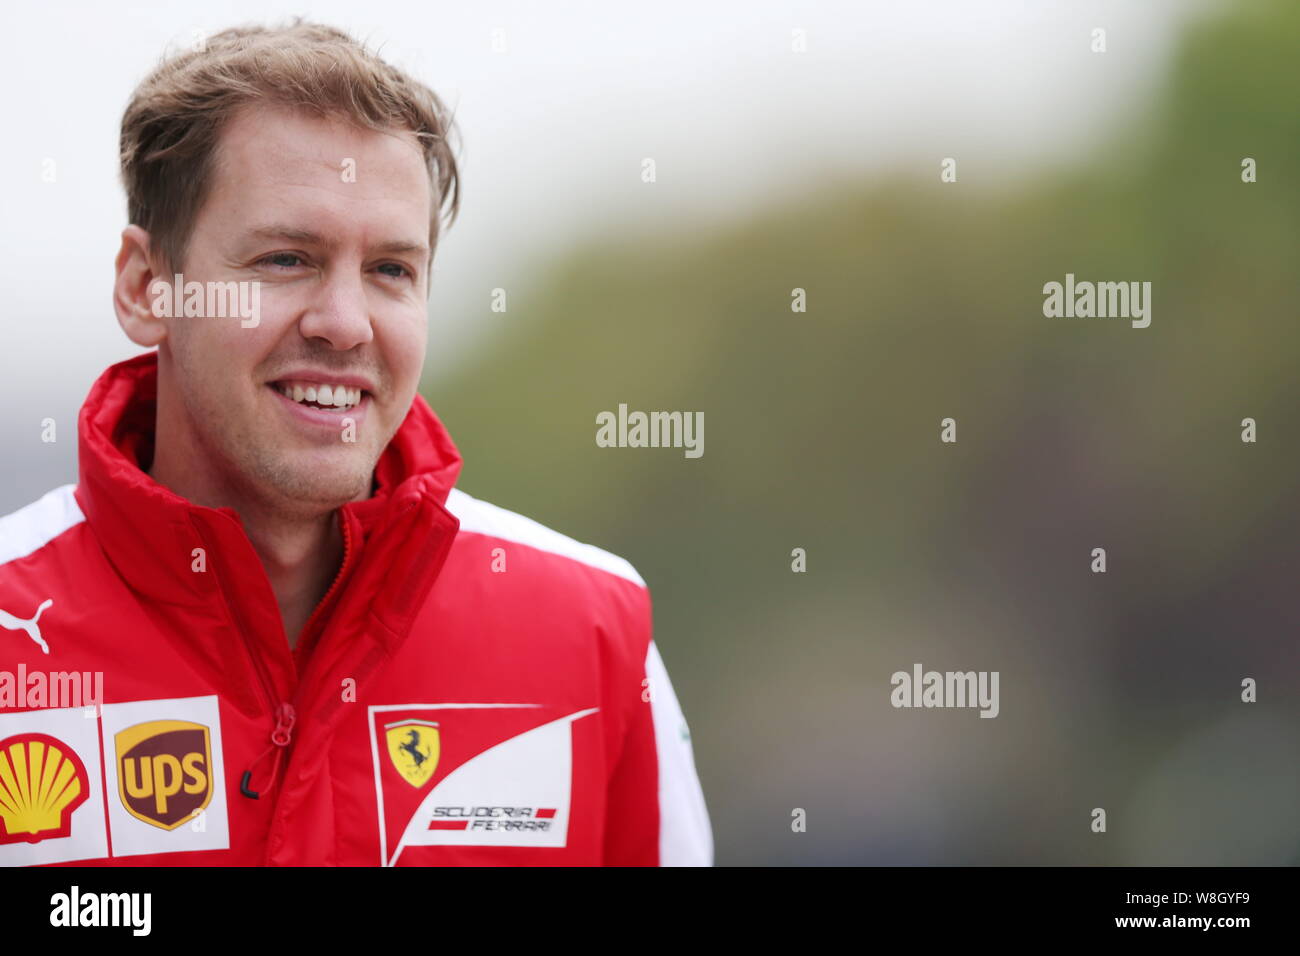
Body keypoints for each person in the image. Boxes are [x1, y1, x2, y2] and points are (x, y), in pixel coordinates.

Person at [0, 20, 711, 867]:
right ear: (148, 287)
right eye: (285, 259)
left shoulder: (593, 630)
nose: (344, 324)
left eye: (390, 271)